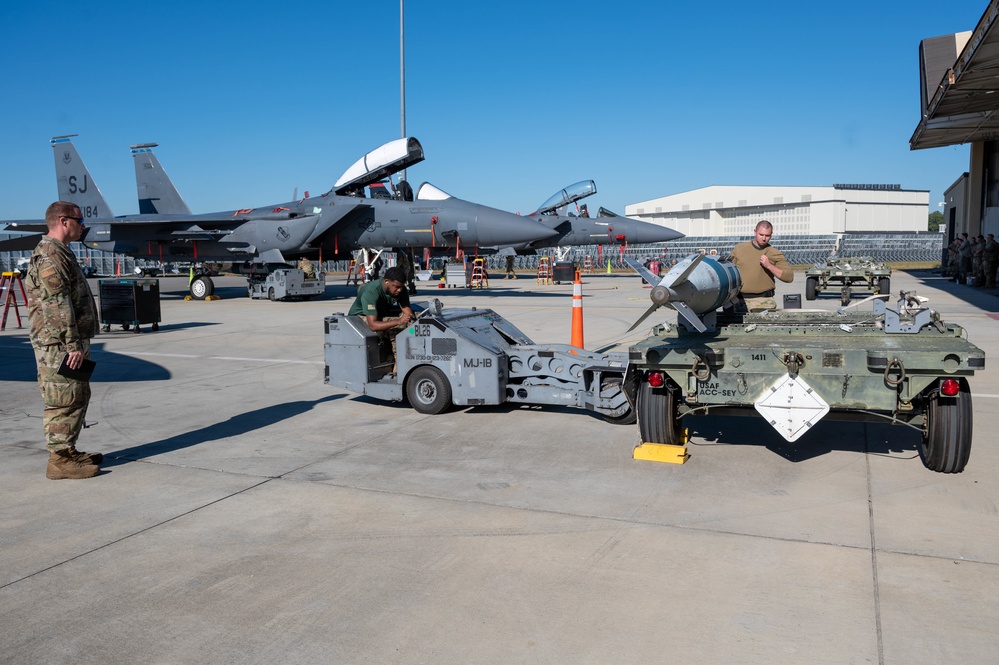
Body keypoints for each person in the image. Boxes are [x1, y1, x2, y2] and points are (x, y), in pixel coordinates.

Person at [26, 201, 101, 480]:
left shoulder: (61, 253)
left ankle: (67, 450)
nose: (83, 226)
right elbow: (56, 305)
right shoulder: (49, 257)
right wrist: (72, 345)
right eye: (80, 221)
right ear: (63, 221)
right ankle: (58, 460)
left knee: (76, 395)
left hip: (68, 341)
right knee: (63, 399)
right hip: (58, 345)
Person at [347, 266, 414, 367]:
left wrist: (411, 320)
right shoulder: (371, 292)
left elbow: (407, 312)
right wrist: (399, 321)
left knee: (414, 320)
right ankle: (398, 364)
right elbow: (373, 325)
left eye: (401, 287)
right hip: (358, 318)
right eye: (396, 287)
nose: (399, 290)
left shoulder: (400, 289)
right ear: (386, 281)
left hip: (379, 314)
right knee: (396, 327)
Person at [731, 220, 794, 312]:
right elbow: (729, 271)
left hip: (763, 302)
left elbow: (789, 277)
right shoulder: (739, 249)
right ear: (755, 232)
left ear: (771, 235)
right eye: (761, 234)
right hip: (739, 301)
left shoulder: (775, 253)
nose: (764, 238)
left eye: (767, 235)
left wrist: (769, 266)